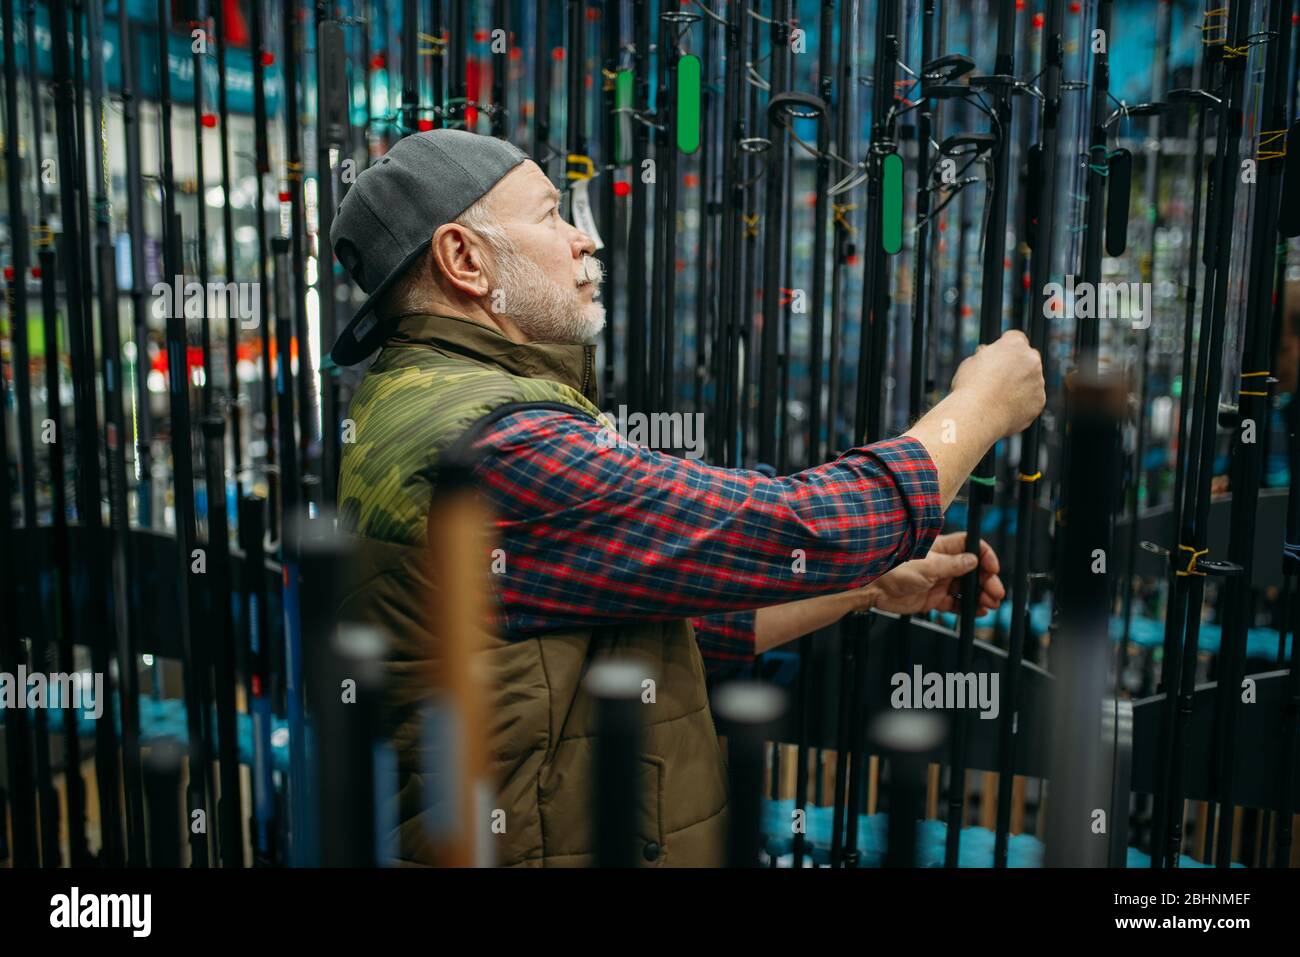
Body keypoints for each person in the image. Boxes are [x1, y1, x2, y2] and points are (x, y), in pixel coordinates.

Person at [328, 129, 1046, 866]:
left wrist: (866, 586)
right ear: (465, 260)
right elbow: (790, 527)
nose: (585, 240)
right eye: (550, 216)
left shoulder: (426, 399)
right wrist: (981, 407)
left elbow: (648, 620)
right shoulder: (491, 441)